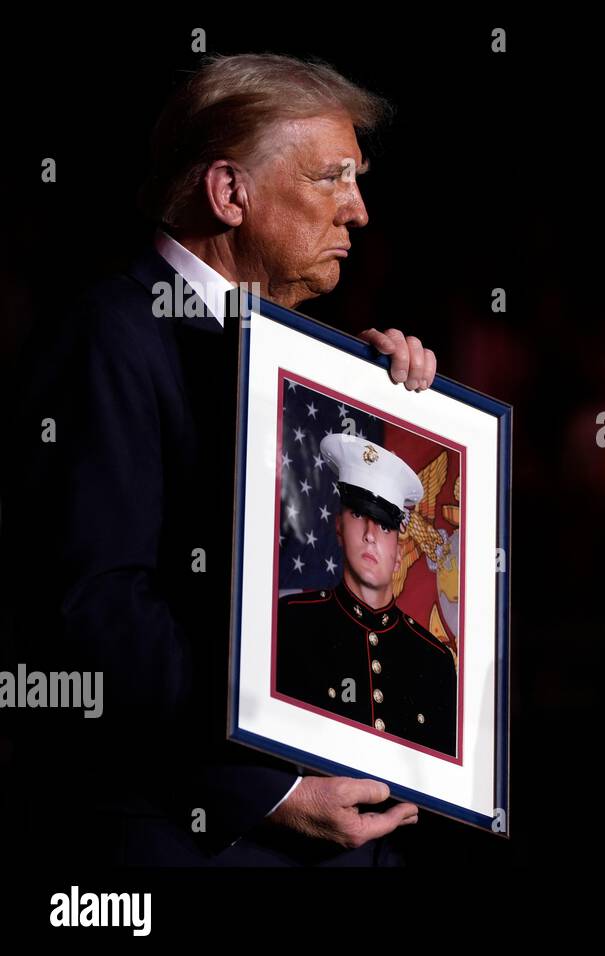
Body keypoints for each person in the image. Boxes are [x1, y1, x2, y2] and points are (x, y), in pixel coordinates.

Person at [9, 53, 441, 865]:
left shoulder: (314, 364)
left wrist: (395, 410)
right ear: (229, 193)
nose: (360, 212)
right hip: (187, 837)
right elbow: (91, 609)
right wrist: (264, 789)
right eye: (332, 178)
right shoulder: (113, 332)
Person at [276, 434, 457, 755]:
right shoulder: (289, 622)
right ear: (338, 528)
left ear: (400, 552)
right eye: (359, 515)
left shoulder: (436, 662)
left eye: (386, 526)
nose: (371, 535)